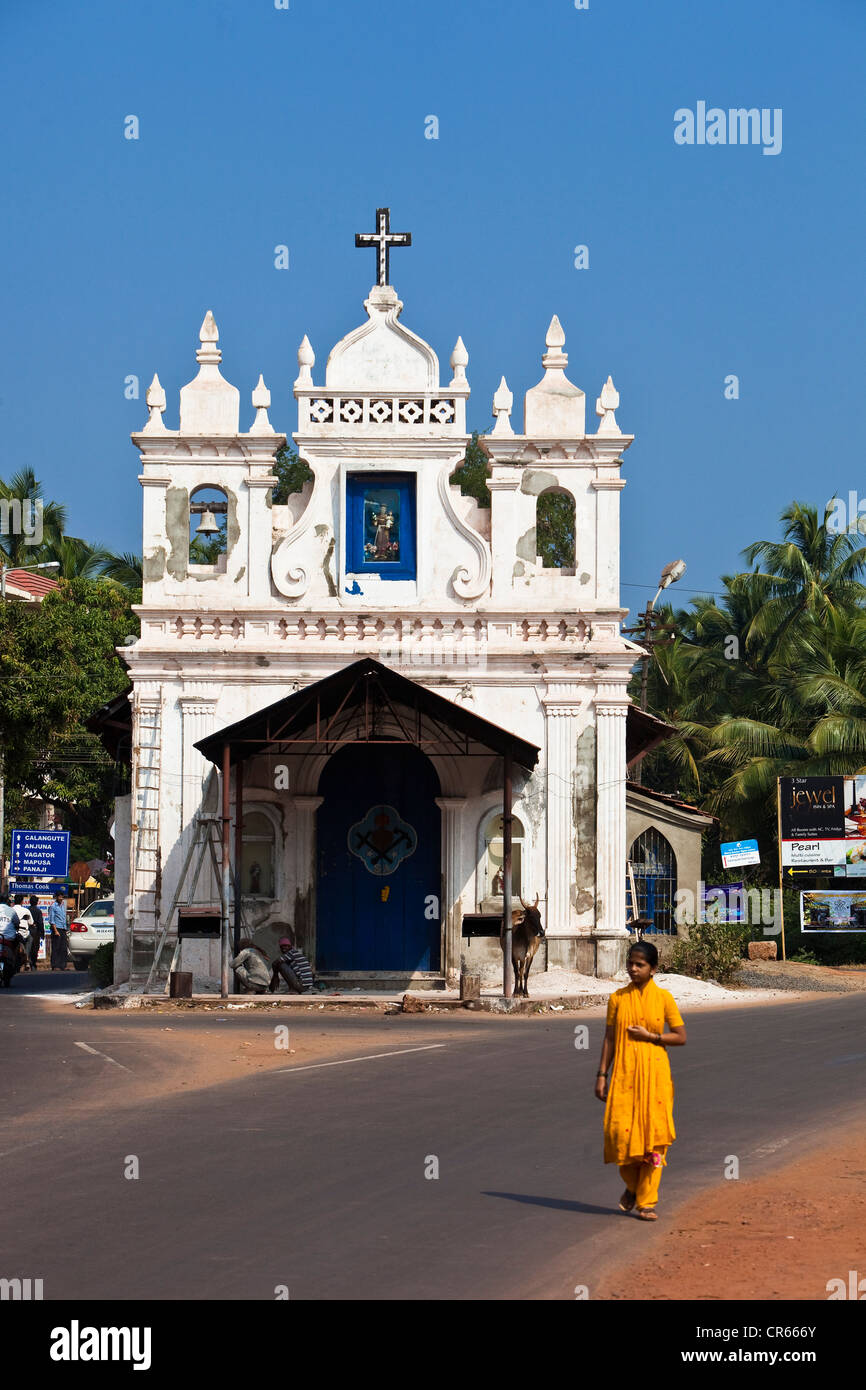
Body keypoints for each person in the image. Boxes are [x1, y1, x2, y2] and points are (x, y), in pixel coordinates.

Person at [595, 940, 687, 1221]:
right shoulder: (617, 998)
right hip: (624, 1075)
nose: (633, 969)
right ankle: (633, 1187)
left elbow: (680, 1037)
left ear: (653, 969)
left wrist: (652, 1037)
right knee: (619, 1136)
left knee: (654, 1141)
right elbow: (609, 1038)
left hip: (656, 1075)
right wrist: (601, 1074)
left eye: (640, 965)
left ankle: (647, 1201)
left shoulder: (664, 999)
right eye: (630, 964)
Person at [46, 892, 70, 971]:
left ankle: (63, 965)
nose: (61, 898)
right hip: (57, 929)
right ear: (56, 897)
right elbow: (51, 920)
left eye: (62, 897)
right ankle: (55, 965)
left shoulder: (63, 906)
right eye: (59, 897)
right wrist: (55, 931)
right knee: (56, 947)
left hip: (63, 928)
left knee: (63, 948)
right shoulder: (53, 906)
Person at [11, 897, 34, 970]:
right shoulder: (26, 910)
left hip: (15, 933)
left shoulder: (11, 910)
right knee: (30, 939)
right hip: (25, 933)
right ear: (22, 902)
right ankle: (26, 959)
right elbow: (31, 922)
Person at [27, 896, 45, 972]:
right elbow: (40, 923)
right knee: (35, 949)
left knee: (28, 948)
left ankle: (28, 962)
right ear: (37, 902)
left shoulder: (27, 910)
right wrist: (42, 933)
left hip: (27, 931)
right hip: (36, 932)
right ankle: (33, 964)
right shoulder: (38, 911)